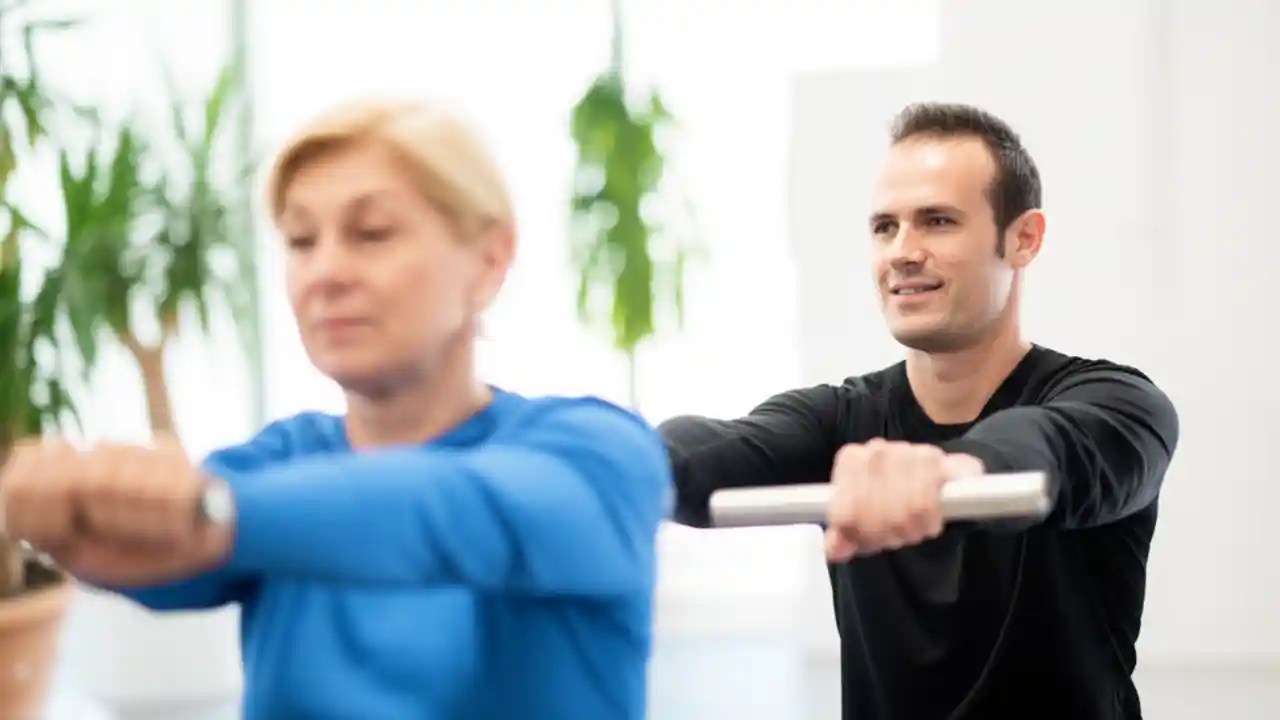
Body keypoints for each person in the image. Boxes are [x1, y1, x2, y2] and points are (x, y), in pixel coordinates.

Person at [0, 99, 673, 719]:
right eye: (300, 241)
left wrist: (213, 513)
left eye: (372, 233)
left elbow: (445, 512)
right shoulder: (280, 461)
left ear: (490, 260)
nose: (325, 273)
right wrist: (67, 514)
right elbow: (157, 556)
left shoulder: (597, 457)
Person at [660, 102, 1179, 719]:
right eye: (885, 227)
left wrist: (947, 473)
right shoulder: (839, 422)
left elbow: (1049, 444)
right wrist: (614, 456)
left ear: (1023, 238)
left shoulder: (1116, 403)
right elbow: (706, 454)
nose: (902, 252)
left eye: (937, 221)